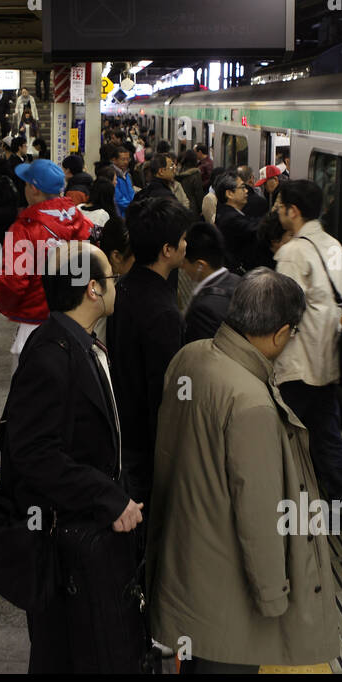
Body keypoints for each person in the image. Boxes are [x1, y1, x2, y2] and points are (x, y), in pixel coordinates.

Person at [150, 269, 337, 672]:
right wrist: (273, 596)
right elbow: (259, 512)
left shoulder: (191, 357)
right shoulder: (252, 403)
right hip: (228, 595)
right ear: (279, 332)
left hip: (186, 563)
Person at [3, 242, 145, 674]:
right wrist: (108, 497)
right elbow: (33, 453)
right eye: (112, 279)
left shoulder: (76, 341)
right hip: (61, 539)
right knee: (60, 646)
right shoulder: (51, 355)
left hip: (79, 528)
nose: (118, 287)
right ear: (92, 290)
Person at [271, 180, 342, 502]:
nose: (278, 213)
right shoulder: (334, 246)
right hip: (327, 358)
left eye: (280, 207)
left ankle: (289, 503)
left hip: (298, 365)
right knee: (327, 436)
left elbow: (283, 311)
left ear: (293, 211)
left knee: (289, 438)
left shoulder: (293, 252)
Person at [106, 196, 191, 511]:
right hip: (146, 446)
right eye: (182, 239)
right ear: (166, 250)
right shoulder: (163, 311)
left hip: (124, 428)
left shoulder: (123, 288)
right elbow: (164, 391)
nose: (187, 245)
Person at [0, 159, 94, 370]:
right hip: (75, 323)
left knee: (27, 395)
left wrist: (8, 307)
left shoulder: (24, 228)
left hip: (35, 325)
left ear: (34, 188)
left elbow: (13, 281)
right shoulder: (80, 220)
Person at [180, 221, 240, 344]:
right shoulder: (238, 281)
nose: (182, 267)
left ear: (200, 265)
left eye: (184, 262)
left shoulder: (204, 309)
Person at [213, 172, 265, 274]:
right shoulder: (230, 218)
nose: (246, 191)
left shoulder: (226, 212)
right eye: (242, 187)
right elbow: (253, 227)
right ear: (229, 194)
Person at [175, 151, 205, 219]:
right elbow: (198, 193)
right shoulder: (195, 174)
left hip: (179, 204)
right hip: (192, 207)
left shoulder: (179, 172)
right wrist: (201, 209)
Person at [108, 145, 136, 217]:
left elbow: (131, 193)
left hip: (130, 214)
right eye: (123, 159)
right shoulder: (111, 175)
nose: (126, 162)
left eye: (128, 159)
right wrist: (133, 207)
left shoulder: (127, 175)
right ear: (114, 160)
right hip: (119, 215)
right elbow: (118, 199)